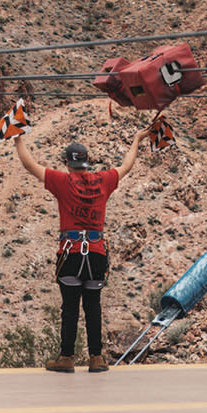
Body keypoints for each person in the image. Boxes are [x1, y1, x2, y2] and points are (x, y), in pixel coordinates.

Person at [14, 127, 149, 374]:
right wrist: (136, 140)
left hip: (71, 253)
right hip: (96, 251)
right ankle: (96, 358)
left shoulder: (62, 181)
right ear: (87, 162)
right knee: (93, 306)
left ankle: (67, 358)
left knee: (70, 307)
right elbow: (127, 166)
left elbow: (29, 164)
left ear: (67, 163)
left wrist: (17, 137)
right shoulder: (104, 180)